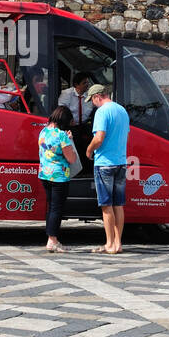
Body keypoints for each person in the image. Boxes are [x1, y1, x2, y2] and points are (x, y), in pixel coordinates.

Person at [86, 83, 129, 254]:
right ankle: (118, 243)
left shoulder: (102, 112)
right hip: (121, 162)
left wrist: (89, 150)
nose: (93, 103)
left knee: (106, 205)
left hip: (104, 163)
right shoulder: (122, 111)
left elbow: (99, 137)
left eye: (92, 100)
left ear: (98, 96)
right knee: (118, 204)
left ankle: (109, 244)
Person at [38, 105, 80, 253]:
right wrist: (70, 141)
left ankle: (50, 239)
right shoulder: (62, 135)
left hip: (44, 174)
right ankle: (53, 240)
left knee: (51, 207)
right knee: (57, 208)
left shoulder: (43, 132)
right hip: (59, 177)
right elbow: (71, 158)